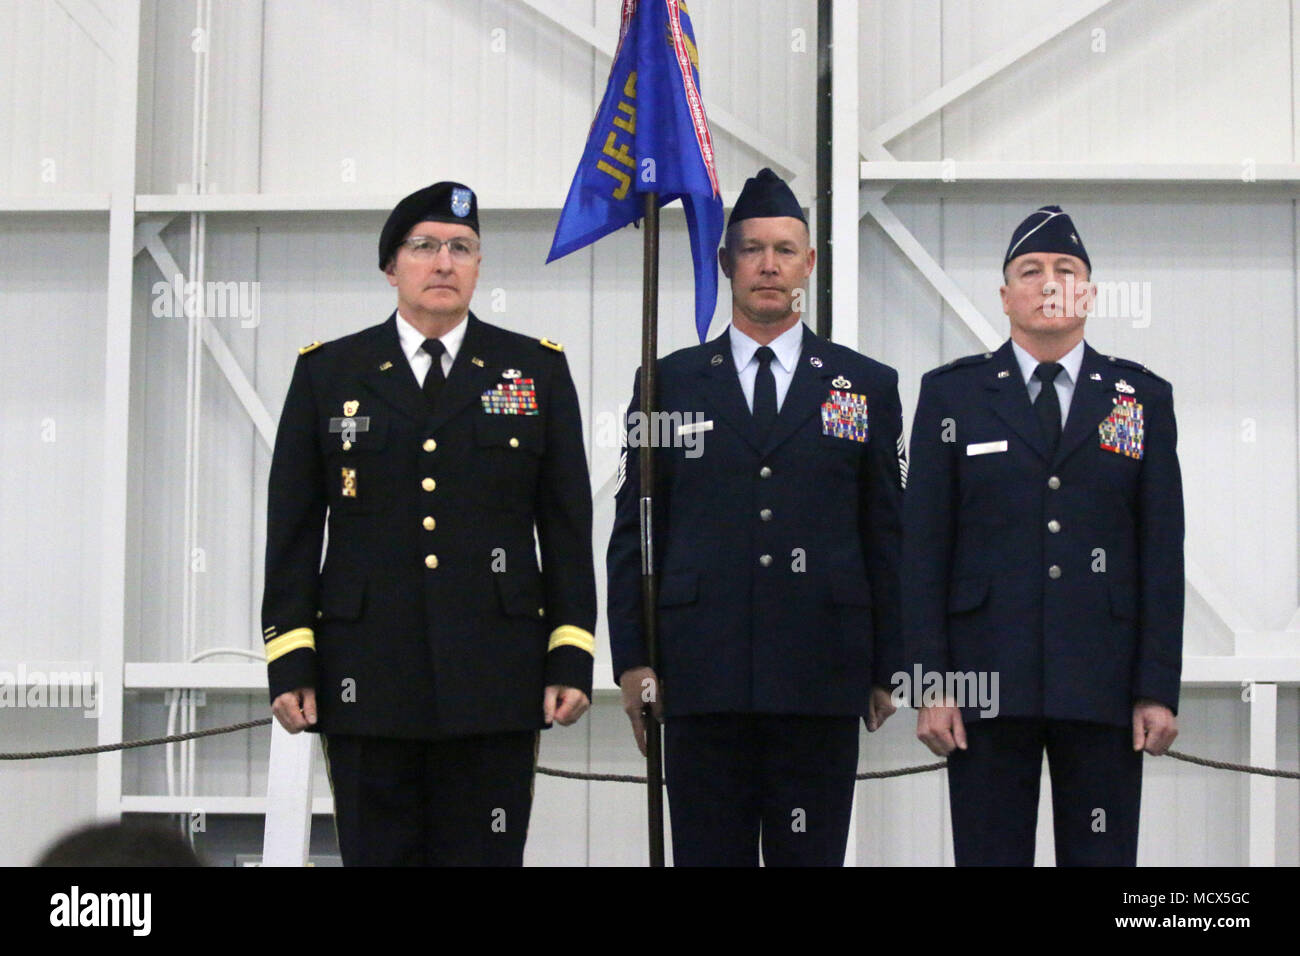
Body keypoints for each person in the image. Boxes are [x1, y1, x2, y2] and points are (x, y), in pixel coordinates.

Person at [262, 181, 597, 866]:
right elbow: (293, 528)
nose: (443, 263)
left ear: (479, 267)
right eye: (424, 247)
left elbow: (564, 525)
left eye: (462, 248)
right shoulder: (329, 373)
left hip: (496, 676)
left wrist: (570, 649)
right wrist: (291, 656)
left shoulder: (534, 370)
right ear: (392, 267)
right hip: (365, 675)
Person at [606, 168, 906, 866]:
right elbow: (635, 533)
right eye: (751, 249)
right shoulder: (668, 383)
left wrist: (890, 661)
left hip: (822, 674)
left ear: (808, 263)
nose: (769, 265)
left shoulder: (864, 385)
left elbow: (887, 531)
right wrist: (634, 660)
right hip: (698, 675)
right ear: (725, 263)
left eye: (784, 249)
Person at [903, 205, 1184, 866]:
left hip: (1105, 684)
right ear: (1005, 296)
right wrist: (930, 684)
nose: (1050, 281)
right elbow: (922, 550)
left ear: (1088, 291)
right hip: (982, 687)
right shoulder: (954, 397)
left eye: (1067, 270)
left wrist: (1156, 687)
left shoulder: (1138, 399)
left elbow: (1161, 551)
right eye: (1031, 270)